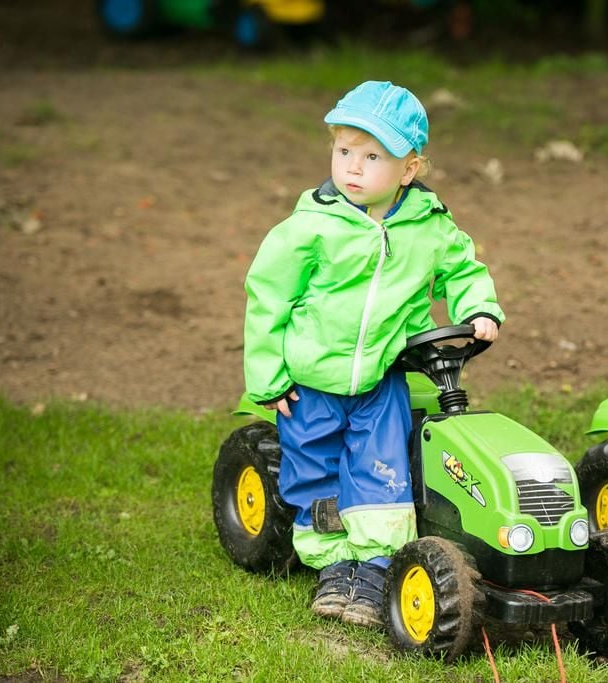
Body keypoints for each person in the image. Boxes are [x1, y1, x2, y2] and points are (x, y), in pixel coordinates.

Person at [242, 80, 504, 627]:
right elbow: (268, 297)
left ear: (408, 169)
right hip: (310, 382)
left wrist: (478, 306)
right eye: (344, 152)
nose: (353, 167)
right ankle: (334, 567)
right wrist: (269, 377)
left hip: (383, 380)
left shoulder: (427, 226)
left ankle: (377, 565)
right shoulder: (311, 226)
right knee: (315, 473)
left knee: (381, 475)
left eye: (372, 156)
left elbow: (461, 268)